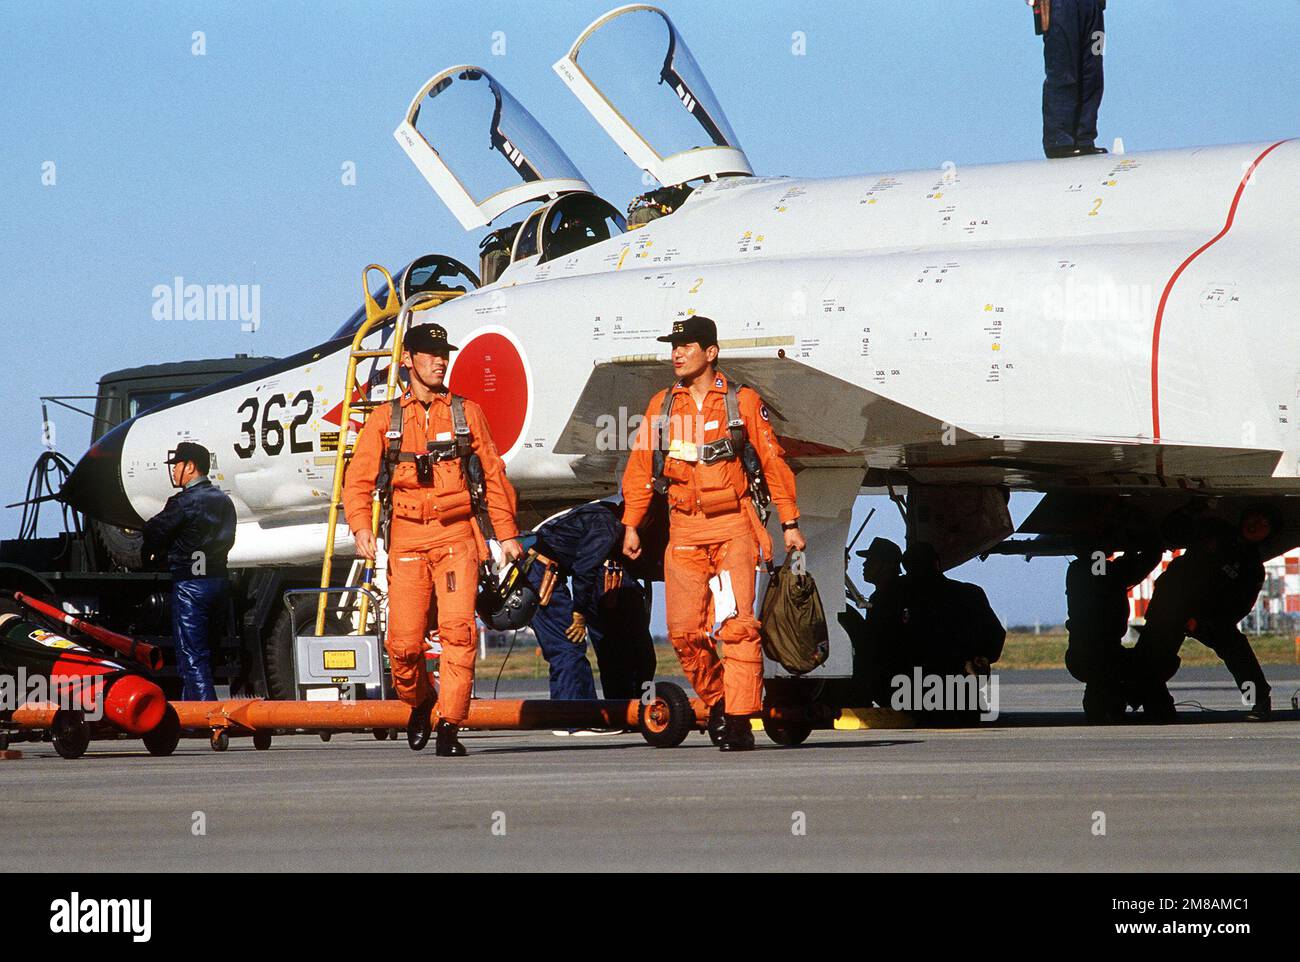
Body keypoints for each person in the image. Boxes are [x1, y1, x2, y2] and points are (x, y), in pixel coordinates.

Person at [621, 315, 804, 752]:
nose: (677, 353)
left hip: (734, 526)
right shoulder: (663, 407)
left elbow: (774, 462)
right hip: (683, 529)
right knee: (684, 632)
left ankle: (739, 720)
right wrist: (631, 523)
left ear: (711, 352)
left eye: (686, 345)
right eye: (673, 346)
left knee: (738, 628)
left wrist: (790, 522)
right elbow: (641, 466)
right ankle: (722, 701)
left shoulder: (741, 403)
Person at [343, 322, 522, 757]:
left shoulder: (466, 413)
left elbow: (494, 476)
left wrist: (508, 535)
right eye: (429, 353)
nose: (440, 360)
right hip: (406, 540)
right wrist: (361, 527)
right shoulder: (385, 420)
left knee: (458, 634)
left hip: (458, 537)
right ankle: (420, 701)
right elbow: (358, 481)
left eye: (444, 354)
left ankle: (450, 723)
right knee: (402, 645)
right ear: (408, 360)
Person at [1132, 517, 1272, 722]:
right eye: (1255, 520)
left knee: (1235, 648)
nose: (1255, 526)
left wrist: (1204, 623)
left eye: (1263, 526)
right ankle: (1138, 700)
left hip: (1209, 617)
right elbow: (1171, 532)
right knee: (1151, 654)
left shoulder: (1252, 566)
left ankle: (1258, 700)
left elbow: (1240, 607)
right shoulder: (1213, 530)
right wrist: (1192, 511)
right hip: (1173, 606)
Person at [524, 499, 656, 704]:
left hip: (545, 569)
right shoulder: (607, 526)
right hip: (542, 572)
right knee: (568, 646)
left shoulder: (608, 517)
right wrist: (579, 612)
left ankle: (593, 713)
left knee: (586, 647)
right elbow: (584, 569)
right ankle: (574, 718)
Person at [142, 441, 237, 701]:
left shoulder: (184, 503)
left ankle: (207, 717)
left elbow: (154, 530)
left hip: (190, 586)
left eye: (176, 466)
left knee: (192, 655)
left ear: (190, 467)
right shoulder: (224, 501)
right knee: (210, 651)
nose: (173, 471)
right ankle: (190, 715)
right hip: (218, 581)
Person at [1063, 545, 1161, 723]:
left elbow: (1103, 571)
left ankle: (1106, 706)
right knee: (1146, 670)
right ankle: (1143, 703)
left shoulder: (1078, 570)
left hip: (1083, 655)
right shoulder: (1099, 571)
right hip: (1103, 655)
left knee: (1104, 674)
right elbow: (1105, 571)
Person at [896, 542, 1005, 684]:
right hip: (960, 682)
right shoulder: (970, 593)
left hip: (922, 684)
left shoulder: (905, 598)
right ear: (937, 562)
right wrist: (980, 660)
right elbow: (995, 633)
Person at [1028, 0, 1107, 158]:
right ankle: (1059, 141)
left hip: (1093, 8)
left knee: (1093, 73)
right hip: (1060, 7)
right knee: (1063, 72)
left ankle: (1084, 138)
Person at [844, 537, 906, 707]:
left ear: (886, 565)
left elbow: (873, 641)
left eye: (870, 560)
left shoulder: (888, 596)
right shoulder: (884, 595)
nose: (864, 565)